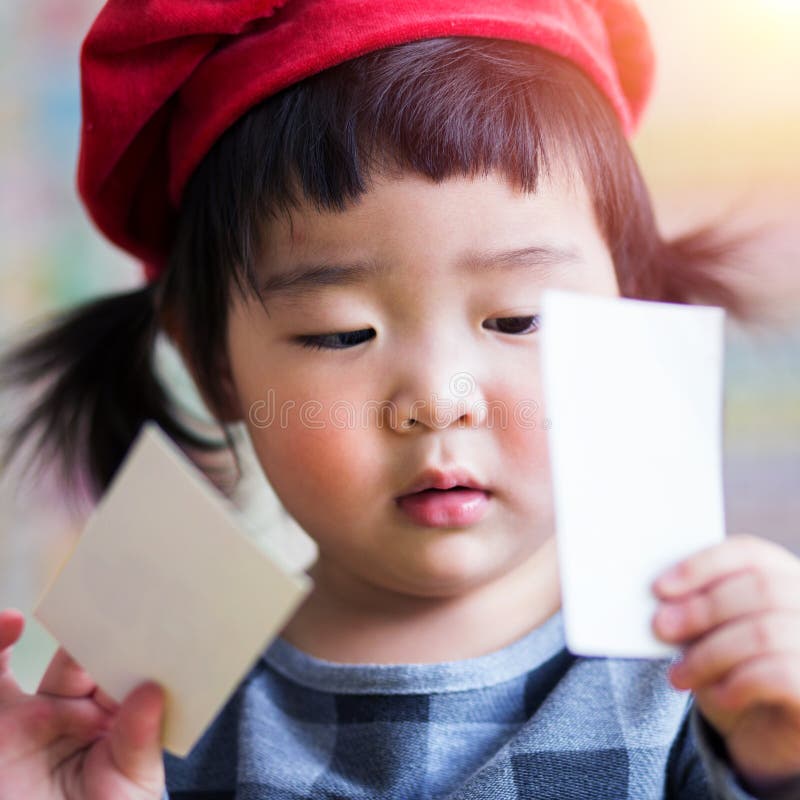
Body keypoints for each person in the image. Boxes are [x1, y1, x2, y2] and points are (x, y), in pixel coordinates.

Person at [1, 1, 799, 798]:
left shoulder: (712, 670)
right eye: (341, 333)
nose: (439, 402)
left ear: (630, 324)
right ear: (214, 365)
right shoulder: (147, 706)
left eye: (517, 319)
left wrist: (779, 761)